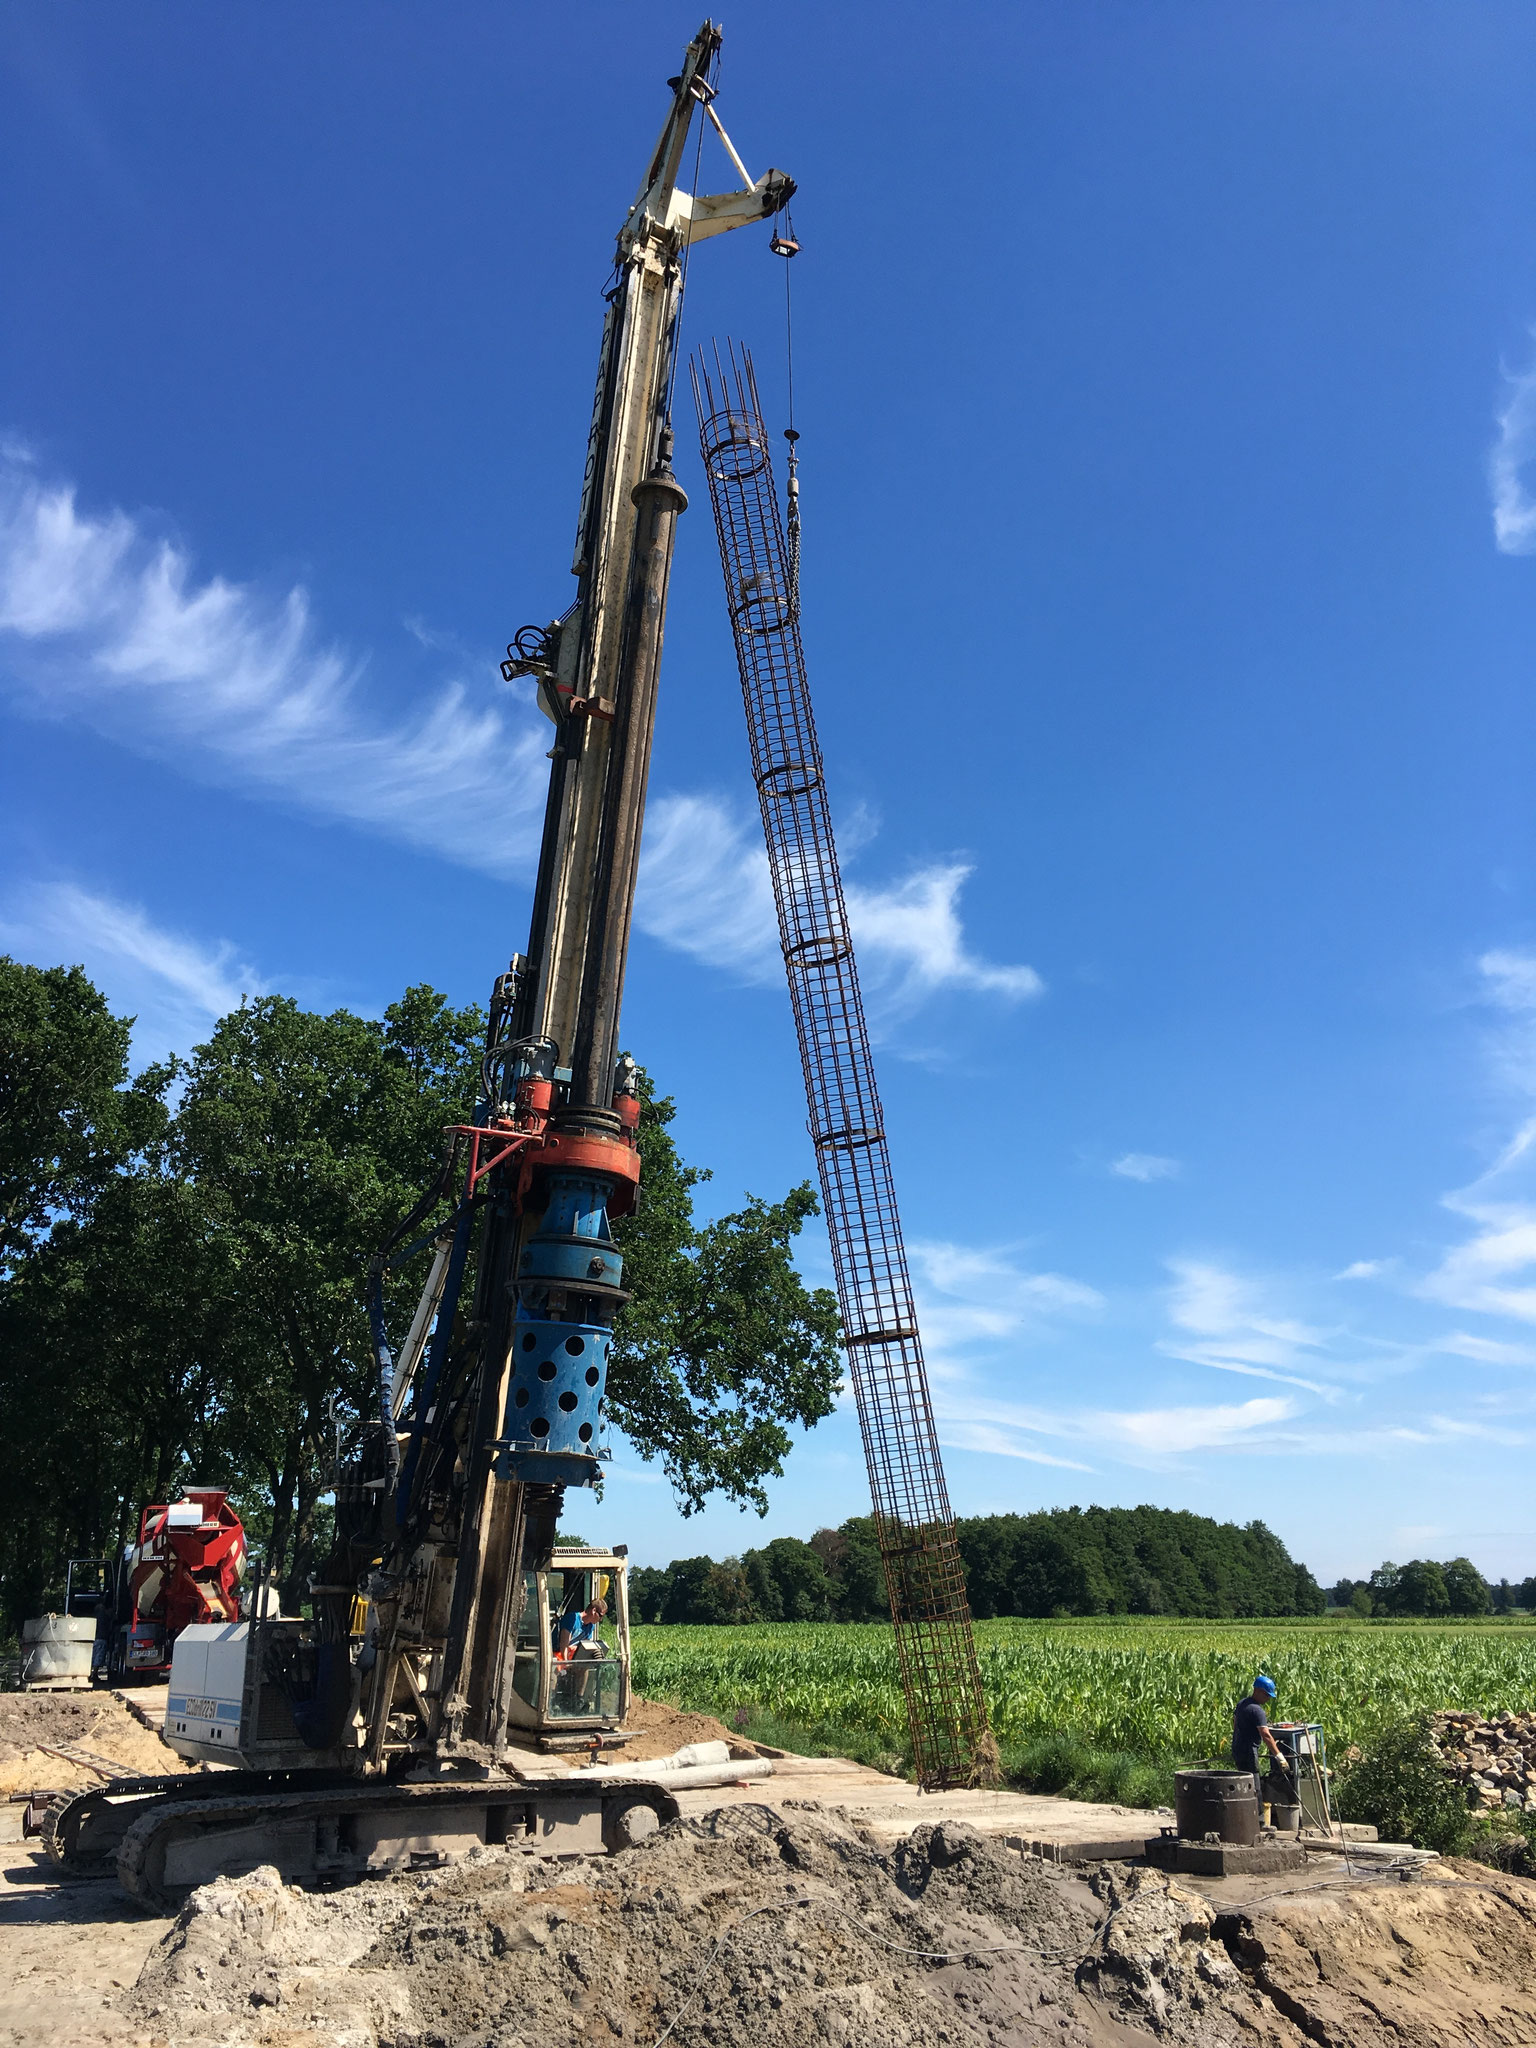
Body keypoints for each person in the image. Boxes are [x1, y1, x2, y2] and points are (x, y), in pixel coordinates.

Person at [1232, 1675, 1286, 1797]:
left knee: (1244, 1782)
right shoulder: (1257, 1710)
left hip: (1237, 1748)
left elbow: (1235, 1723)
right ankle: (1258, 1808)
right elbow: (1266, 1735)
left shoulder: (1242, 1703)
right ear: (1258, 1691)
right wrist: (1279, 1756)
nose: (1268, 1699)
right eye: (1266, 1695)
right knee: (1254, 1786)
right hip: (1249, 1751)